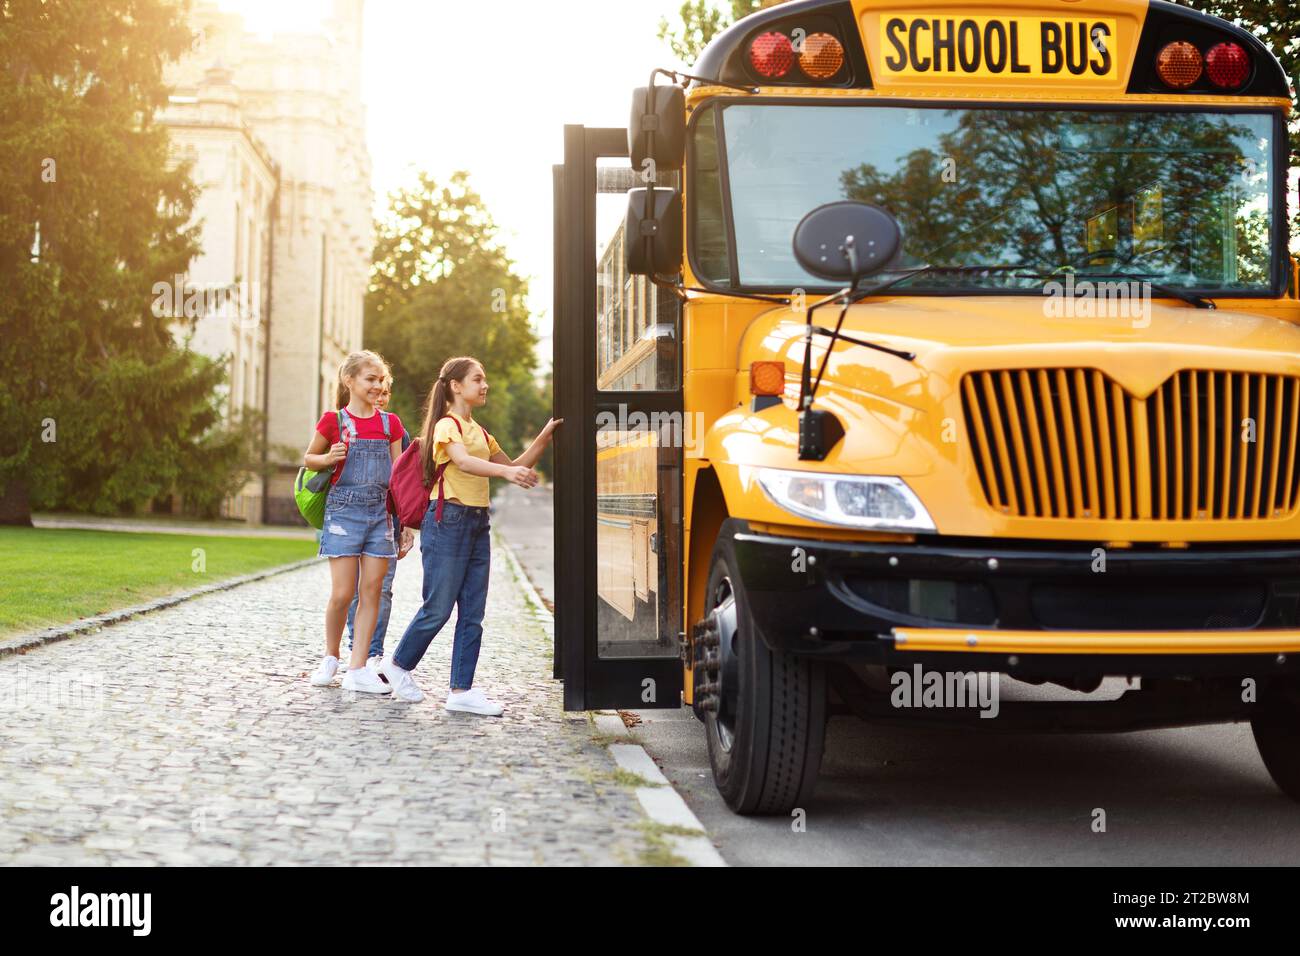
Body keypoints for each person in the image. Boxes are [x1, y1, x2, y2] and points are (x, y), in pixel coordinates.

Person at [381, 355, 561, 714]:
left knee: (473, 613)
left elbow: (515, 467)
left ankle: (461, 691)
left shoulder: (481, 432)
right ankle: (397, 665)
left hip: (477, 524)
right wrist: (505, 475)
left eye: (484, 379)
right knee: (438, 607)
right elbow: (462, 462)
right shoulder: (447, 427)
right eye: (478, 379)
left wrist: (545, 436)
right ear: (455, 386)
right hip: (448, 522)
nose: (485, 385)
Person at [303, 350, 413, 693]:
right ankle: (331, 656)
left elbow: (400, 477)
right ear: (349, 380)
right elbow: (309, 458)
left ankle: (357, 668)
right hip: (343, 513)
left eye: (380, 380)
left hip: (380, 515)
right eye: (370, 378)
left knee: (372, 591)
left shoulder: (390, 424)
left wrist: (405, 523)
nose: (377, 385)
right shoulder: (333, 421)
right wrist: (328, 457)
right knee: (342, 593)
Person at [343, 377, 412, 668]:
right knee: (350, 588)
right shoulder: (343, 425)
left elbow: (406, 483)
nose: (381, 397)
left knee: (380, 589)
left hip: (387, 523)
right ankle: (354, 645)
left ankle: (372, 652)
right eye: (377, 391)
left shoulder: (398, 434)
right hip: (349, 518)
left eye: (387, 393)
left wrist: (407, 525)